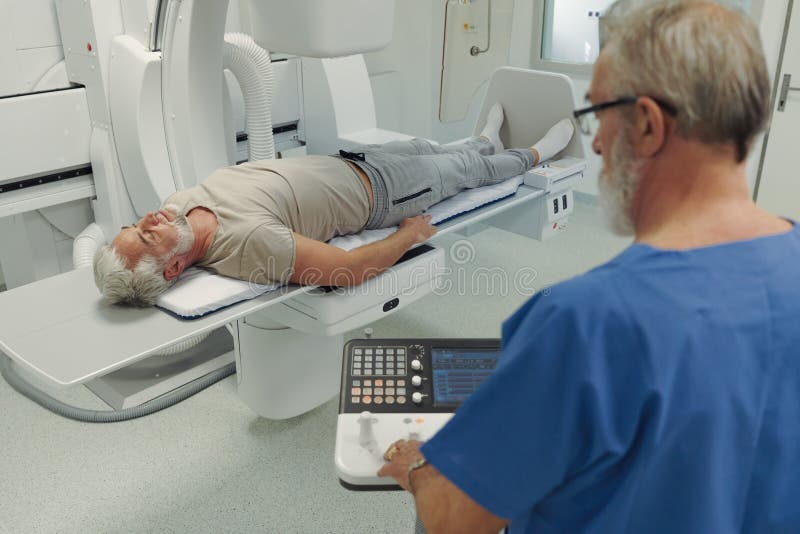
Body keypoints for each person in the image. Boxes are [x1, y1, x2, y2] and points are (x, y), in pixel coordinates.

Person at [378, 1, 800, 532]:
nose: (597, 142)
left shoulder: (585, 324)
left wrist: (418, 465)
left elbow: (454, 520)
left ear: (647, 124)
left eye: (599, 114)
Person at [93, 106, 575, 306]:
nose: (151, 218)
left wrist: (155, 226)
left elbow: (164, 218)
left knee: (432, 148)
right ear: (175, 267)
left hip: (351, 162)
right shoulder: (249, 249)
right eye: (147, 235)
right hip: (383, 196)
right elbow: (345, 269)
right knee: (468, 174)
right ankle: (536, 153)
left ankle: (485, 139)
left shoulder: (177, 206)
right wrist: (407, 236)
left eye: (138, 224)